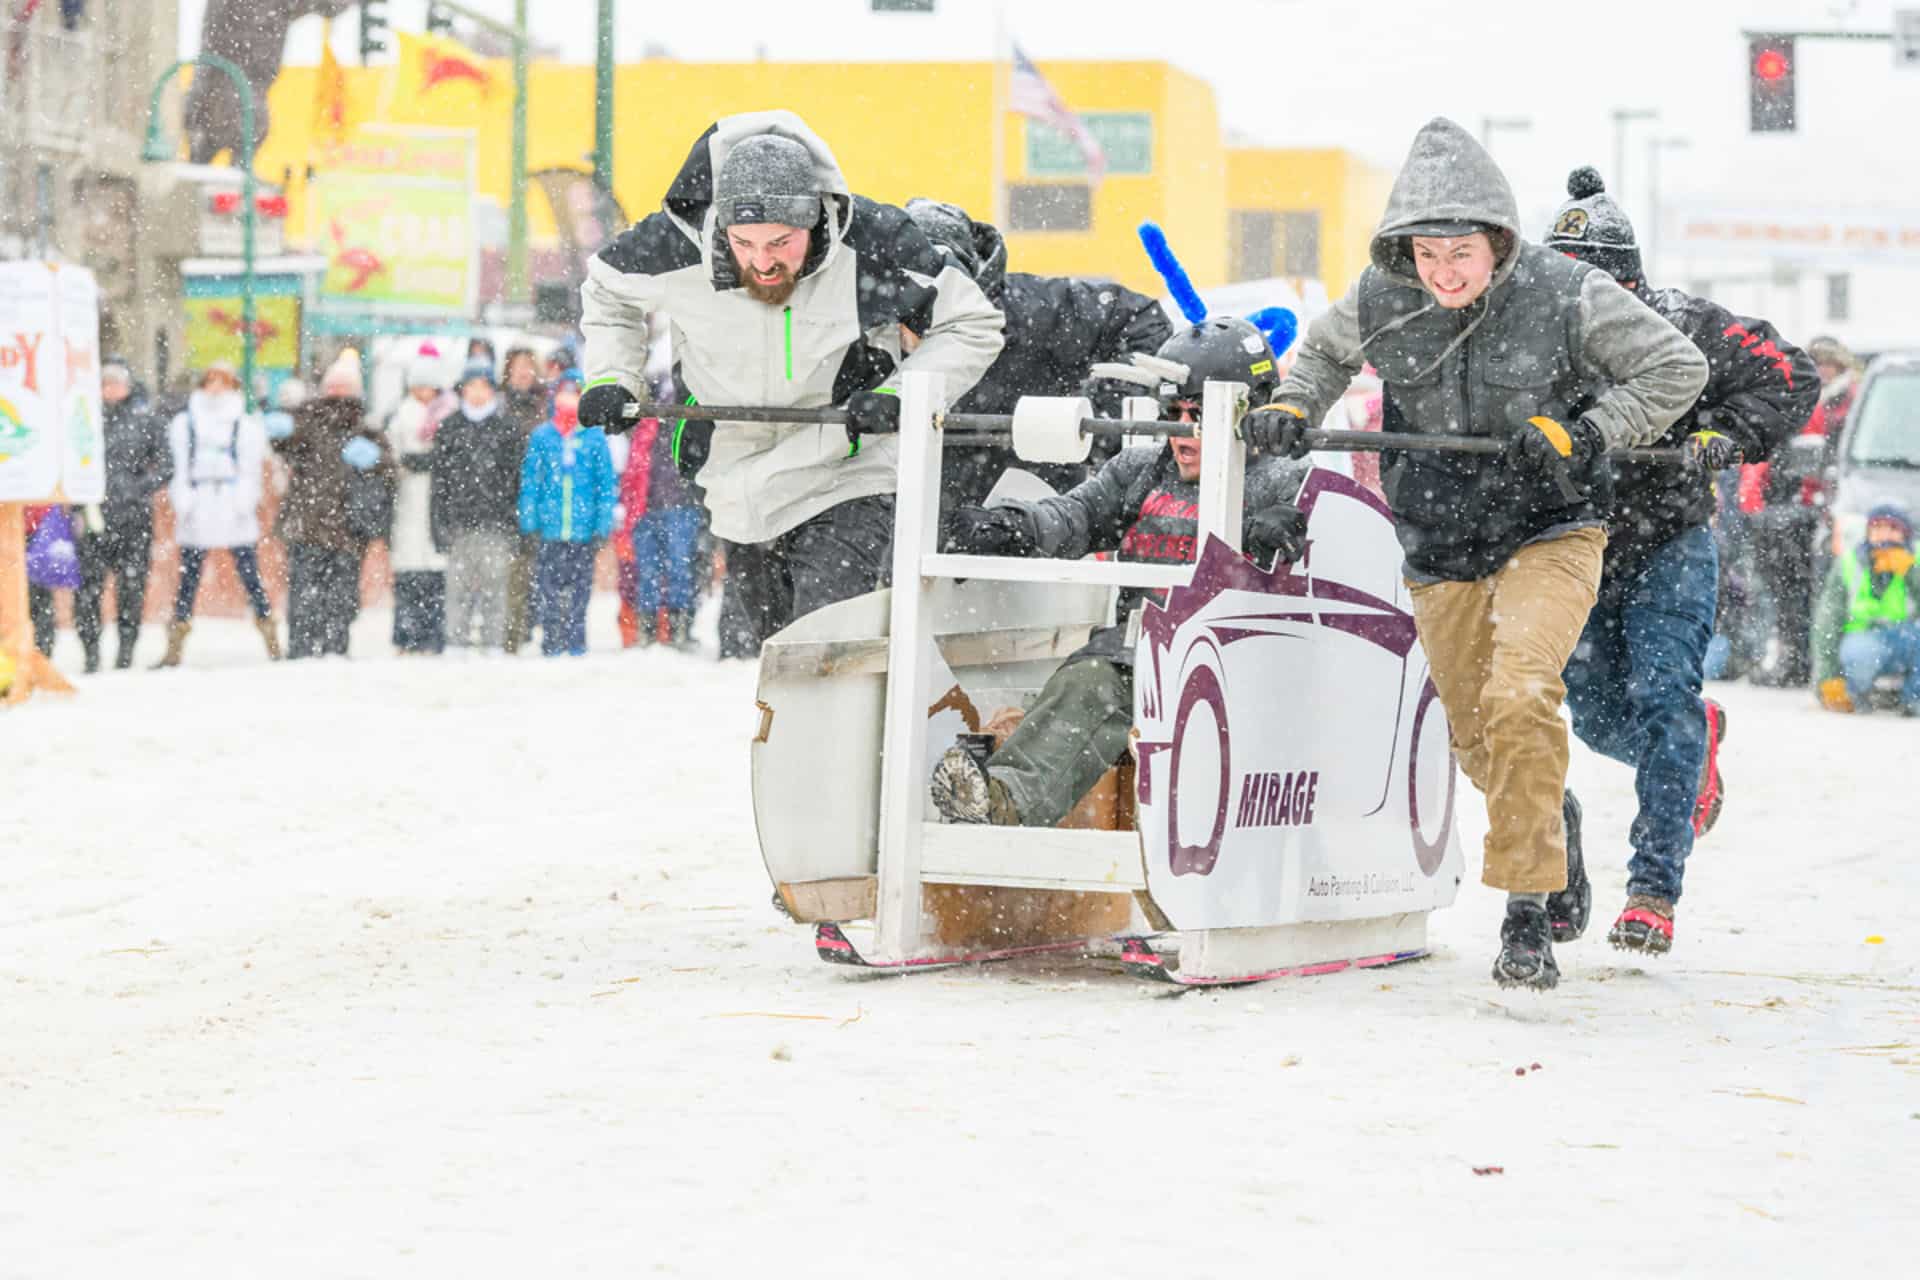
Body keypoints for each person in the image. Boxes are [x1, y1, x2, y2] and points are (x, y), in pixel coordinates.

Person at [1247, 118, 1708, 991]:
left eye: (1460, 251)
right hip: (1438, 537)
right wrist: (1290, 404)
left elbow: (1675, 369)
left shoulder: (1567, 293)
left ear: (1497, 239)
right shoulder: (1380, 299)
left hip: (1552, 528)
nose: (1445, 271)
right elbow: (1319, 357)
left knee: (1523, 690)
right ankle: (1550, 821)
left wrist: (1589, 433)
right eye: (1427, 254)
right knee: (1477, 734)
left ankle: (1525, 913)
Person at [579, 110, 1004, 657]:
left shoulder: (876, 243)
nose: (762, 261)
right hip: (734, 483)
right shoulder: (672, 245)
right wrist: (614, 376)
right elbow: (607, 294)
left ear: (816, 218)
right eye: (744, 242)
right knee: (760, 658)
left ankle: (840, 738)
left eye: (780, 242)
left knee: (822, 650)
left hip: (845, 469)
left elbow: (973, 323)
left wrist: (902, 393)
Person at [1540, 168, 1819, 957]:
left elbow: (1791, 372)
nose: (1587, 302)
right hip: (1576, 546)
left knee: (1664, 697)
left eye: (1600, 284)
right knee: (1594, 714)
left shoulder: (1686, 324)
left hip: (1671, 543)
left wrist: (1728, 431)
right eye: (1568, 283)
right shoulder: (1532, 338)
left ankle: (1652, 890)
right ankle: (1692, 750)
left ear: (1632, 281)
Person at [931, 319, 1309, 828]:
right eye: (1172, 414)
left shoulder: (1285, 481)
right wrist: (1011, 525)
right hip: (1138, 655)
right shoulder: (1141, 471)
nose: (1183, 433)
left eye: (1199, 415)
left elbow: (1311, 567)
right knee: (1093, 676)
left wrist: (1265, 539)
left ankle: (1007, 799)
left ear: (1250, 413)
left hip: (1234, 667)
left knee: (1092, 682)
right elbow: (1075, 516)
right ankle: (994, 796)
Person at [902, 197, 1173, 507]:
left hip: (1035, 514)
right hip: (910, 513)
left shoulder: (1035, 311)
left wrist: (1099, 417)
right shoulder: (868, 320)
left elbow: (1141, 321)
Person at [1736, 335, 1854, 686]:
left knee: (1809, 591)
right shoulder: (1806, 401)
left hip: (1817, 511)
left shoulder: (1841, 404)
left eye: (1828, 365)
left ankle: (1810, 660)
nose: (1823, 372)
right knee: (1788, 591)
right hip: (1792, 512)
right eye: (1817, 365)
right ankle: (1799, 657)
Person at [157, 360, 280, 667]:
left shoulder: (245, 425)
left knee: (250, 575)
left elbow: (251, 470)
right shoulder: (186, 424)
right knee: (188, 578)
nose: (215, 389)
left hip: (232, 502)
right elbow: (180, 467)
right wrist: (184, 500)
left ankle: (271, 637)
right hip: (198, 503)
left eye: (222, 382)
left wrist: (243, 502)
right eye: (210, 382)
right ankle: (175, 643)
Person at [274, 350, 394, 659]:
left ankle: (334, 651)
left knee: (340, 600)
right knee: (304, 597)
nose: (338, 392)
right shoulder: (307, 419)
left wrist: (377, 459)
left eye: (345, 386)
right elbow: (284, 443)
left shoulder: (366, 427)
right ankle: (301, 652)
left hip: (347, 528)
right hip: (309, 525)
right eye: (334, 385)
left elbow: (390, 470)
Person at [73, 359, 172, 671]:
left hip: (133, 520)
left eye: (116, 383)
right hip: (92, 517)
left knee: (132, 588)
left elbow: (167, 465)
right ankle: (90, 652)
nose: (111, 389)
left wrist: (136, 488)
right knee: (88, 590)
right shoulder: (83, 418)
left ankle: (126, 653)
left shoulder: (146, 420)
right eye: (105, 384)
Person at [518, 371, 616, 656]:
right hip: (550, 529)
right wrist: (530, 521)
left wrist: (602, 524)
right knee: (548, 588)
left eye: (575, 394)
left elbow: (605, 484)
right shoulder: (543, 436)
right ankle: (551, 639)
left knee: (580, 590)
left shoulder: (594, 438)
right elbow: (531, 482)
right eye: (564, 393)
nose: (568, 400)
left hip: (583, 530)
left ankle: (575, 640)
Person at [431, 359, 521, 656]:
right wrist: (439, 524)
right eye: (472, 386)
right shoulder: (450, 427)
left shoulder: (507, 428)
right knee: (458, 590)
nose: (478, 393)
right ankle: (456, 643)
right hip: (460, 523)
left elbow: (516, 480)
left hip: (496, 523)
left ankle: (493, 642)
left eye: (484, 386)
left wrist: (513, 522)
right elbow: (440, 482)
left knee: (496, 588)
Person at [1812, 504, 1920, 717]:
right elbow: (1826, 623)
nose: (1884, 535)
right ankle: (1855, 692)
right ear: (1867, 533)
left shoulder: (1915, 560)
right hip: (1862, 639)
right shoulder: (1849, 562)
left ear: (1905, 534)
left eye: (1892, 529)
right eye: (1878, 528)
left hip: (1908, 638)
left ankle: (1913, 698)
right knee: (1860, 654)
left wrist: (1911, 573)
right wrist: (1826, 677)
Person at [619, 403, 705, 648]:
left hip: (679, 507)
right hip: (647, 510)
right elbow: (632, 471)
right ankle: (649, 632)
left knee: (680, 571)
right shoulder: (644, 428)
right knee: (649, 573)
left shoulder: (683, 425)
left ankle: (678, 631)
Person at [386, 353, 453, 654]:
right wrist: (407, 463)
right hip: (410, 499)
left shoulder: (447, 413)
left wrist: (431, 461)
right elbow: (392, 456)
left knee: (436, 575)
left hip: (437, 501)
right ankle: (406, 636)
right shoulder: (402, 415)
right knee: (409, 575)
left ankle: (433, 635)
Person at [499, 345, 548, 653]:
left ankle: (527, 630)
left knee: (532, 573)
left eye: (529, 367)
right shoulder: (499, 407)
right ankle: (508, 635)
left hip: (538, 502)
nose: (524, 373)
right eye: (518, 367)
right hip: (504, 499)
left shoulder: (543, 408)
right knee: (507, 575)